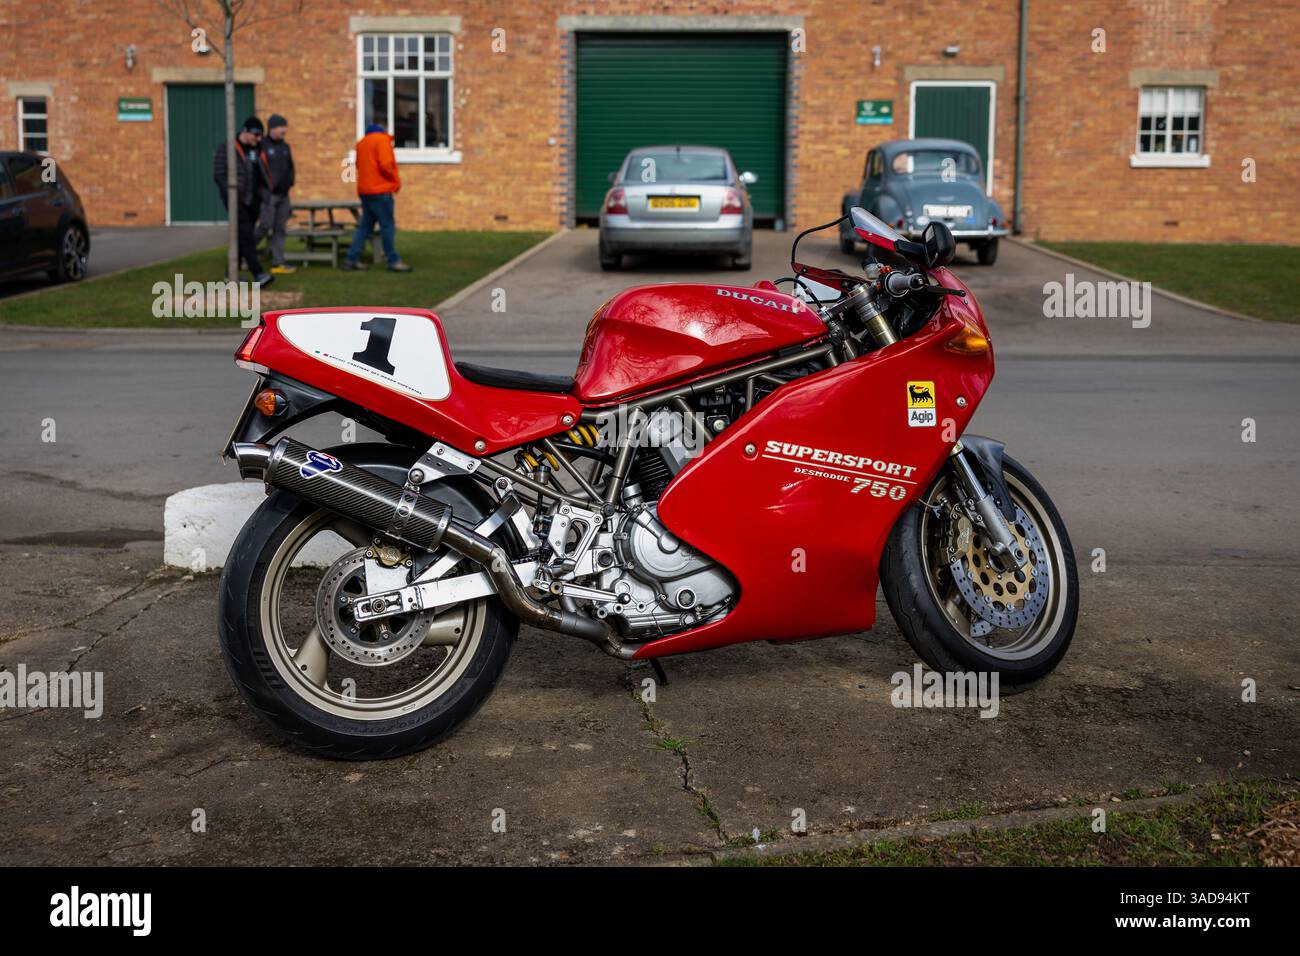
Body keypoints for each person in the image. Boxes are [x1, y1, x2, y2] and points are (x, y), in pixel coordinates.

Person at [342, 122, 413, 272]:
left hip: (365, 191)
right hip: (381, 191)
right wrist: (395, 181)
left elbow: (358, 165)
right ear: (383, 129)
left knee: (364, 227)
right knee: (387, 226)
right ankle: (393, 260)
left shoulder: (361, 143)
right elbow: (386, 164)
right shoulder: (382, 141)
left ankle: (351, 259)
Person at [213, 116, 273, 286]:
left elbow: (262, 174)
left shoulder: (257, 149)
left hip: (253, 202)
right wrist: (230, 195)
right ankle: (258, 274)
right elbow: (219, 174)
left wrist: (265, 194)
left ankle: (230, 275)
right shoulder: (228, 149)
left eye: (261, 136)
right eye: (256, 135)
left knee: (241, 238)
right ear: (246, 132)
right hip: (236, 201)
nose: (259, 139)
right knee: (246, 236)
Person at [257, 114, 297, 275]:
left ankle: (278, 262)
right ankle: (244, 255)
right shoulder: (262, 146)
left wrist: (290, 182)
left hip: (284, 195)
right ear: (272, 128)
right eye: (282, 127)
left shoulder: (285, 147)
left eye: (285, 127)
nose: (284, 130)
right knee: (265, 226)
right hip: (268, 195)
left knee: (280, 228)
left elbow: (290, 167)